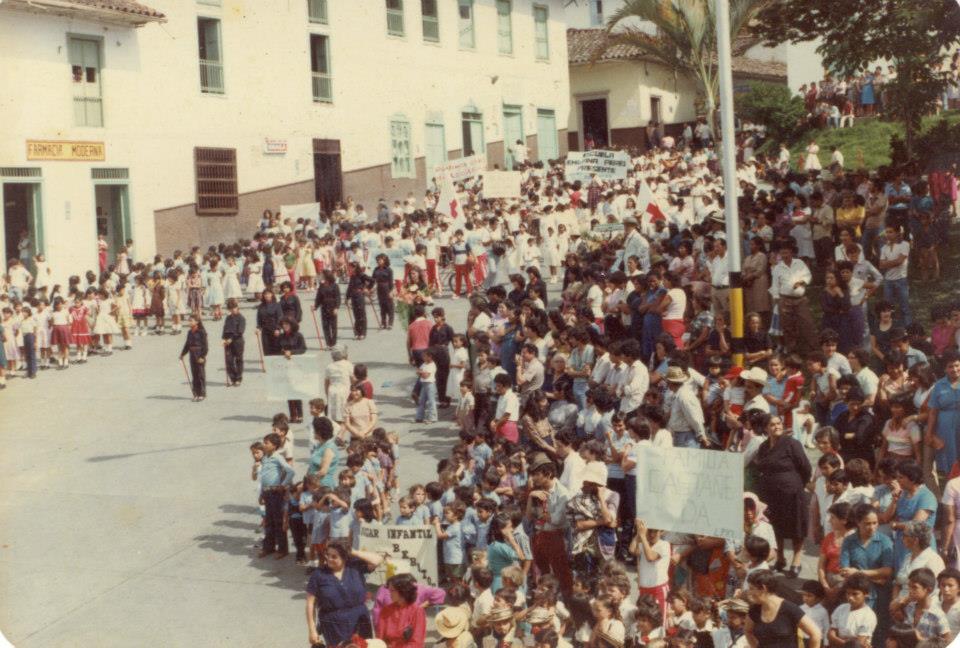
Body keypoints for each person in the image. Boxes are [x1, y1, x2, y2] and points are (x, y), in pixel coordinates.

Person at [752, 413, 812, 578]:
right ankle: (780, 558)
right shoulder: (764, 447)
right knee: (775, 526)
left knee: (796, 526)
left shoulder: (792, 443)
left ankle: (797, 560)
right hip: (770, 494)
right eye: (772, 424)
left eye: (779, 423)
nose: (777, 426)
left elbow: (806, 468)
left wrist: (797, 484)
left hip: (792, 492)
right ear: (766, 428)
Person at [305, 542, 385, 646]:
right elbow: (310, 604)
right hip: (334, 624)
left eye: (334, 556)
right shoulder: (319, 574)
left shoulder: (354, 566)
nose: (329, 559)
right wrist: (312, 629)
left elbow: (377, 560)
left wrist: (352, 551)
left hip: (359, 619)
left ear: (345, 557)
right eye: (327, 555)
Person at [744, 570, 822, 647]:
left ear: (764, 588)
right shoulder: (754, 610)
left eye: (751, 588)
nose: (749, 593)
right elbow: (748, 631)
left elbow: (815, 633)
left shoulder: (789, 609)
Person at [376, 573, 428, 648]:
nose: (389, 594)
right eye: (389, 590)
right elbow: (380, 639)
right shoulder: (385, 610)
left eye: (392, 591)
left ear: (403, 591)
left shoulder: (417, 611)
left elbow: (417, 642)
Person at [278, 317, 308, 422]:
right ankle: (292, 415)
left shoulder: (298, 336)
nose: (285, 326)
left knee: (296, 390)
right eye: (283, 324)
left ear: (292, 325)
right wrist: (282, 352)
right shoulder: (281, 336)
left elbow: (303, 349)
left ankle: (300, 414)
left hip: (296, 365)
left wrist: (292, 352)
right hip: (285, 365)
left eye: (287, 324)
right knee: (288, 390)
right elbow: (277, 349)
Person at [179, 315, 208, 401]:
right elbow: (187, 344)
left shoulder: (202, 332)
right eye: (189, 321)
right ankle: (196, 393)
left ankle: (202, 393)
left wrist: (202, 356)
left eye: (191, 321)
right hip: (192, 354)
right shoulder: (190, 332)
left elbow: (205, 346)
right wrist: (182, 354)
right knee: (194, 374)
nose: (189, 322)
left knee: (200, 374)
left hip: (199, 353)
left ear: (197, 322)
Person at [221, 298, 245, 386]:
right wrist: (223, 338)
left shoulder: (241, 318)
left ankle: (238, 378)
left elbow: (240, 331)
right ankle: (233, 378)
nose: (232, 310)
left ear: (237, 307)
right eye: (230, 309)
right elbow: (225, 328)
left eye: (233, 308)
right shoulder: (228, 318)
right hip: (228, 342)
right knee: (229, 361)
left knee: (238, 360)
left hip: (237, 341)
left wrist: (231, 338)